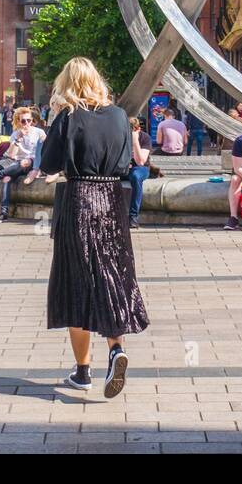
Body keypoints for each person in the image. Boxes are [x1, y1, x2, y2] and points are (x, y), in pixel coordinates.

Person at [39, 57, 148, 398]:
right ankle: (116, 348)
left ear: (66, 84)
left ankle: (83, 371)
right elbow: (127, 159)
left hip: (79, 197)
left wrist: (55, 119)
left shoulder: (69, 116)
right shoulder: (118, 115)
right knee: (111, 275)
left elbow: (49, 163)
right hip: (113, 199)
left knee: (76, 280)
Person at [127, 116, 153, 229]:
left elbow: (141, 161)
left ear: (137, 129)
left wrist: (135, 141)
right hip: (123, 167)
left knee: (136, 176)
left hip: (140, 168)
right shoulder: (120, 135)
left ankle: (133, 216)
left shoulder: (145, 138)